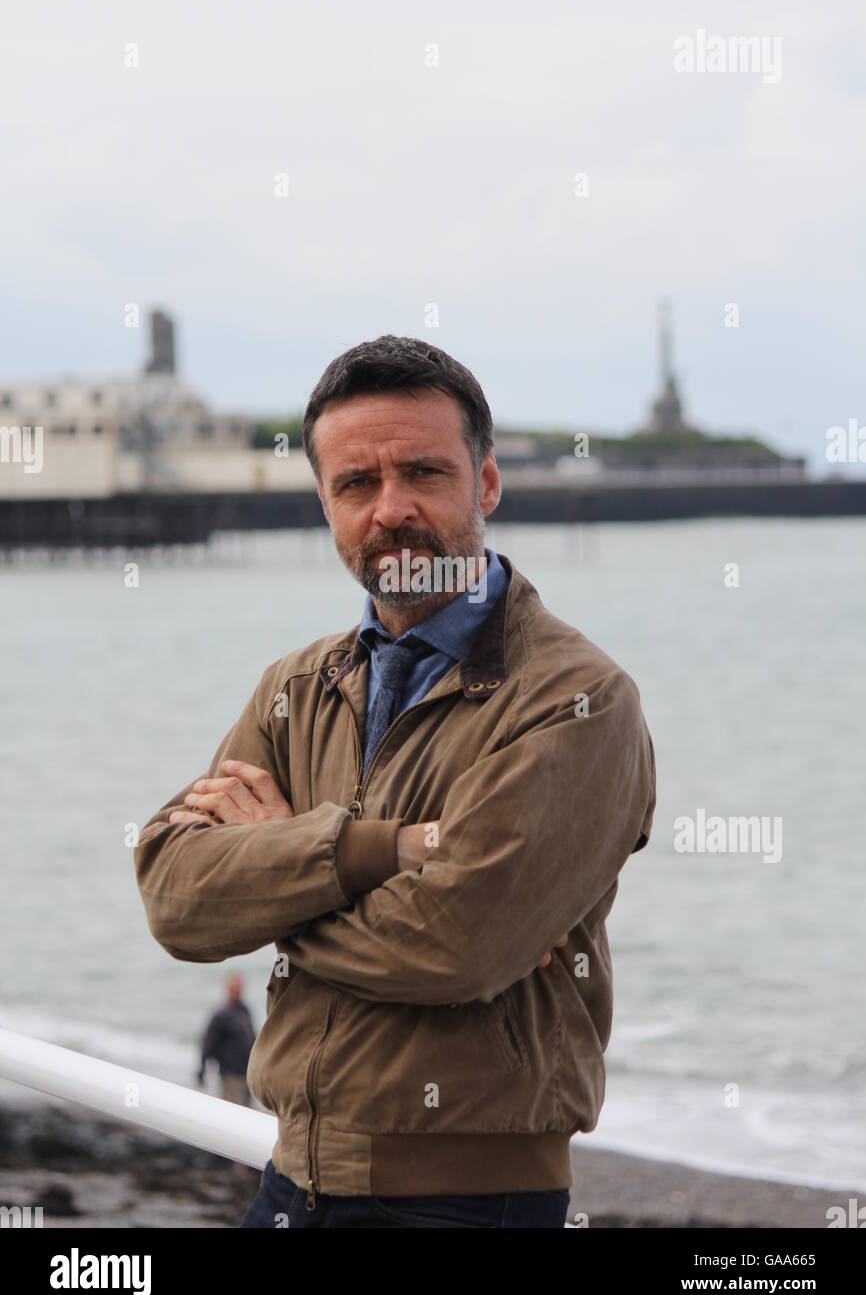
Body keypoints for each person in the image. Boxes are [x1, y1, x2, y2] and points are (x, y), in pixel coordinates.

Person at [134, 334, 657, 1229]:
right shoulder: (298, 688)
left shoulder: (579, 700)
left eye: (423, 473)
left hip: (466, 1204)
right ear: (325, 503)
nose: (392, 510)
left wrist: (276, 883)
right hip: (289, 1182)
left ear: (485, 483)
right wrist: (386, 851)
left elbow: (458, 948)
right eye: (356, 484)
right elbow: (175, 897)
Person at [198, 973, 256, 1107]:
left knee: (247, 1110)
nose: (237, 992)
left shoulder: (245, 1010)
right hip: (230, 1074)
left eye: (239, 988)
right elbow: (208, 1044)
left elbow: (252, 1038)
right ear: (228, 990)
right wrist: (202, 1069)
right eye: (234, 988)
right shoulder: (221, 1015)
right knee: (232, 1110)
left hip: (246, 1073)